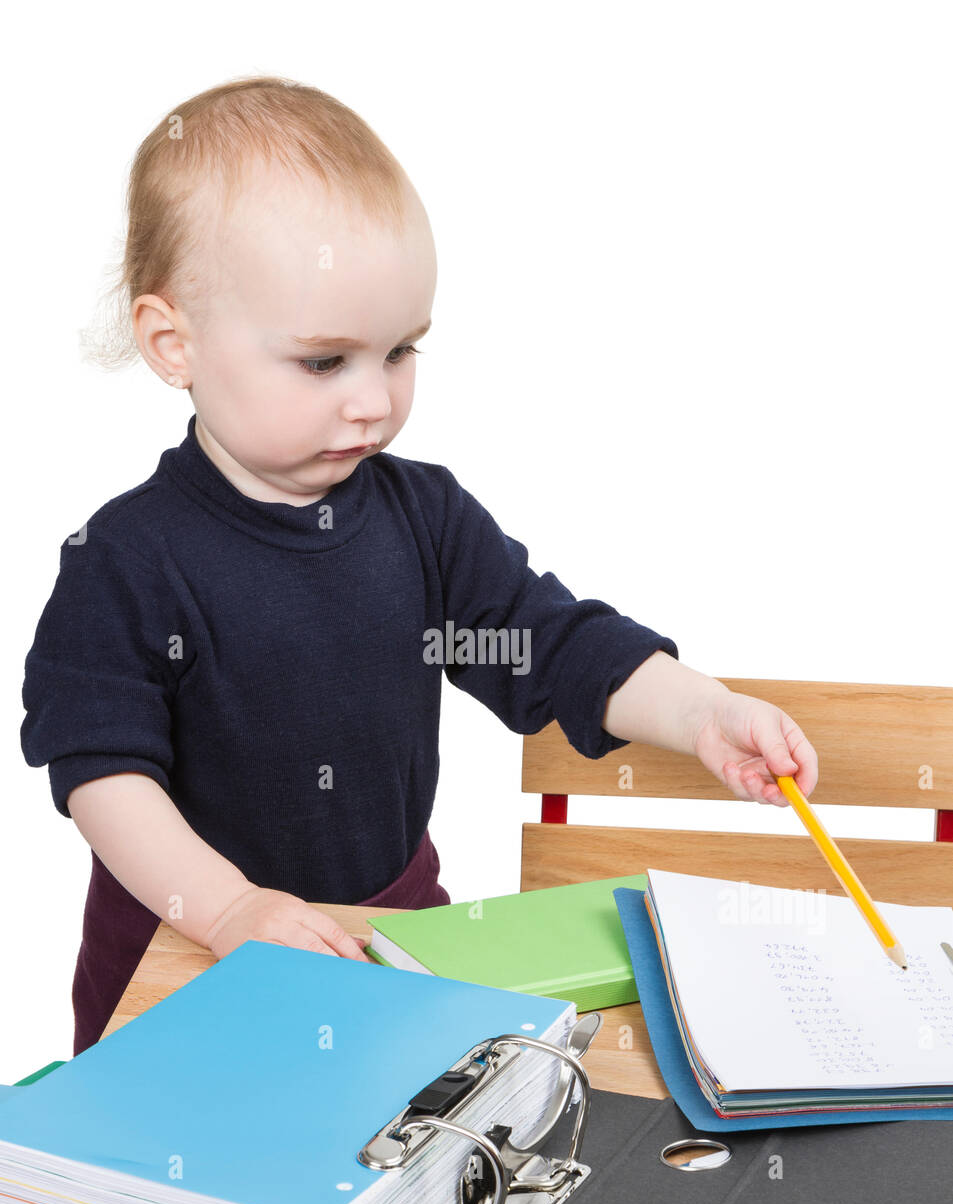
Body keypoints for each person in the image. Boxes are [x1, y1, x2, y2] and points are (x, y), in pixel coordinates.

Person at [20, 76, 818, 1056]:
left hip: (389, 933)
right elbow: (101, 773)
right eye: (324, 362)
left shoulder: (422, 519)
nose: (373, 401)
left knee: (405, 1164)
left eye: (398, 351)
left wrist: (702, 712)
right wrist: (230, 911)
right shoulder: (129, 560)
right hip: (189, 949)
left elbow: (549, 644)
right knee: (204, 1181)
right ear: (172, 341)